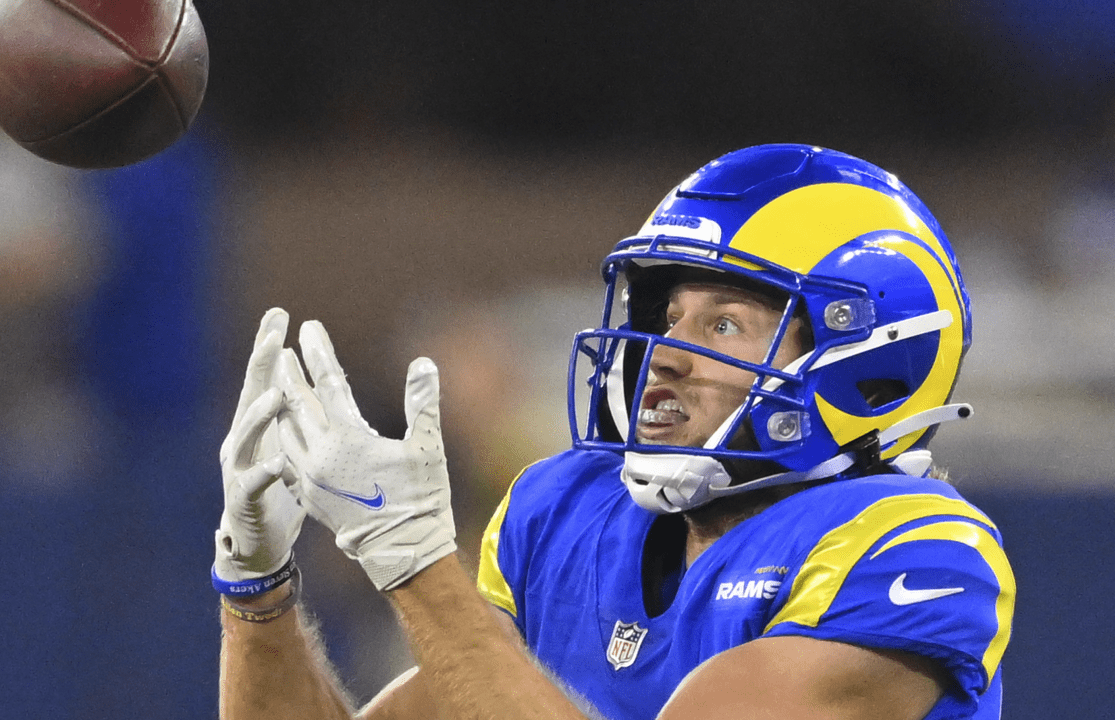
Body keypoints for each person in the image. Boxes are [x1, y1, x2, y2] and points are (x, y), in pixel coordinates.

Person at [214, 144, 1016, 720]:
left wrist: (417, 566)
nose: (663, 354)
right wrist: (258, 590)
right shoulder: (568, 511)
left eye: (725, 323)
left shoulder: (913, 552)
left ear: (867, 367)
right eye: (668, 317)